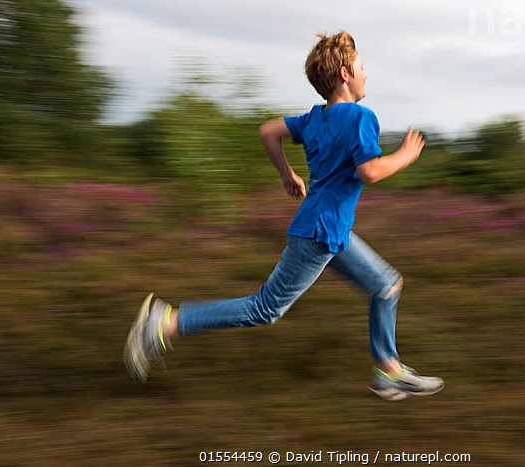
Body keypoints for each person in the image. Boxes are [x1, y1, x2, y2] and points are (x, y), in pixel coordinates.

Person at [124, 31, 444, 401]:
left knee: (386, 285)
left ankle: (388, 371)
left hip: (331, 232)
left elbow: (267, 132)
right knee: (265, 308)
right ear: (345, 73)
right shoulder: (360, 117)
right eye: (361, 67)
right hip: (317, 234)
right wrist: (406, 155)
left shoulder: (313, 119)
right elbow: (368, 171)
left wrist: (287, 174)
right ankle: (164, 323)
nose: (366, 74)